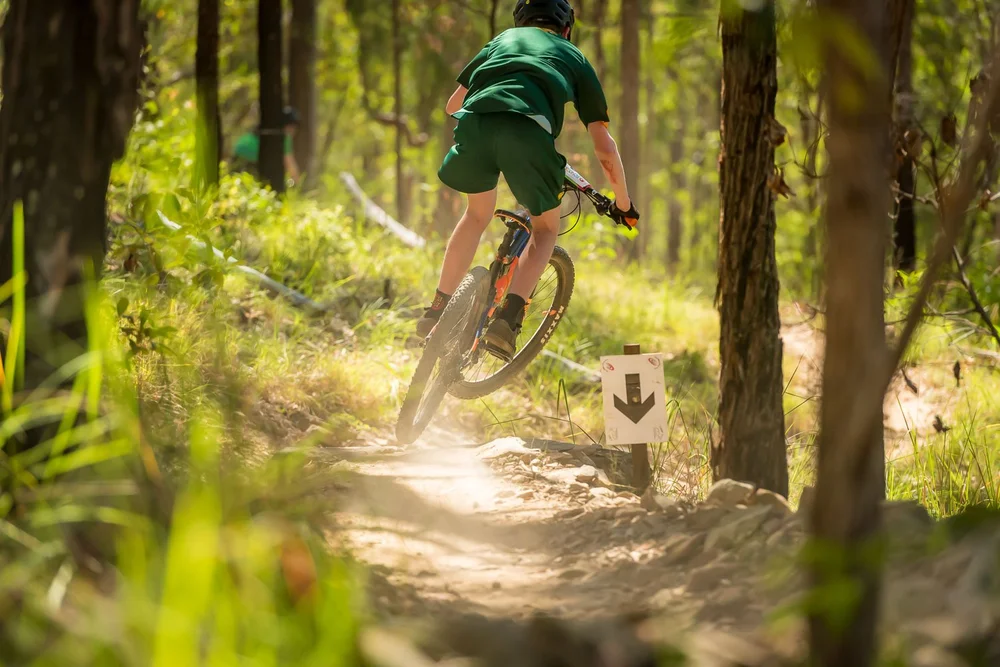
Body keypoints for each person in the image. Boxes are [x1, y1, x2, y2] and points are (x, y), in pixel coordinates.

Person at [416, 0, 639, 360]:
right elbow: (604, 150)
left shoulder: (503, 40)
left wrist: (490, 122)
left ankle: (437, 309)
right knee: (546, 229)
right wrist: (624, 205)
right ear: (567, 28)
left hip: (474, 124)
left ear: (520, 20)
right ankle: (508, 320)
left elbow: (452, 104)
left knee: (476, 215)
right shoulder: (574, 56)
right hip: (529, 136)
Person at [231, 106, 302, 184]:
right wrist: (298, 183)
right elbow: (290, 164)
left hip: (237, 153)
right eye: (293, 126)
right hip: (253, 161)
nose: (294, 130)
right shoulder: (283, 137)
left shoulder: (264, 129)